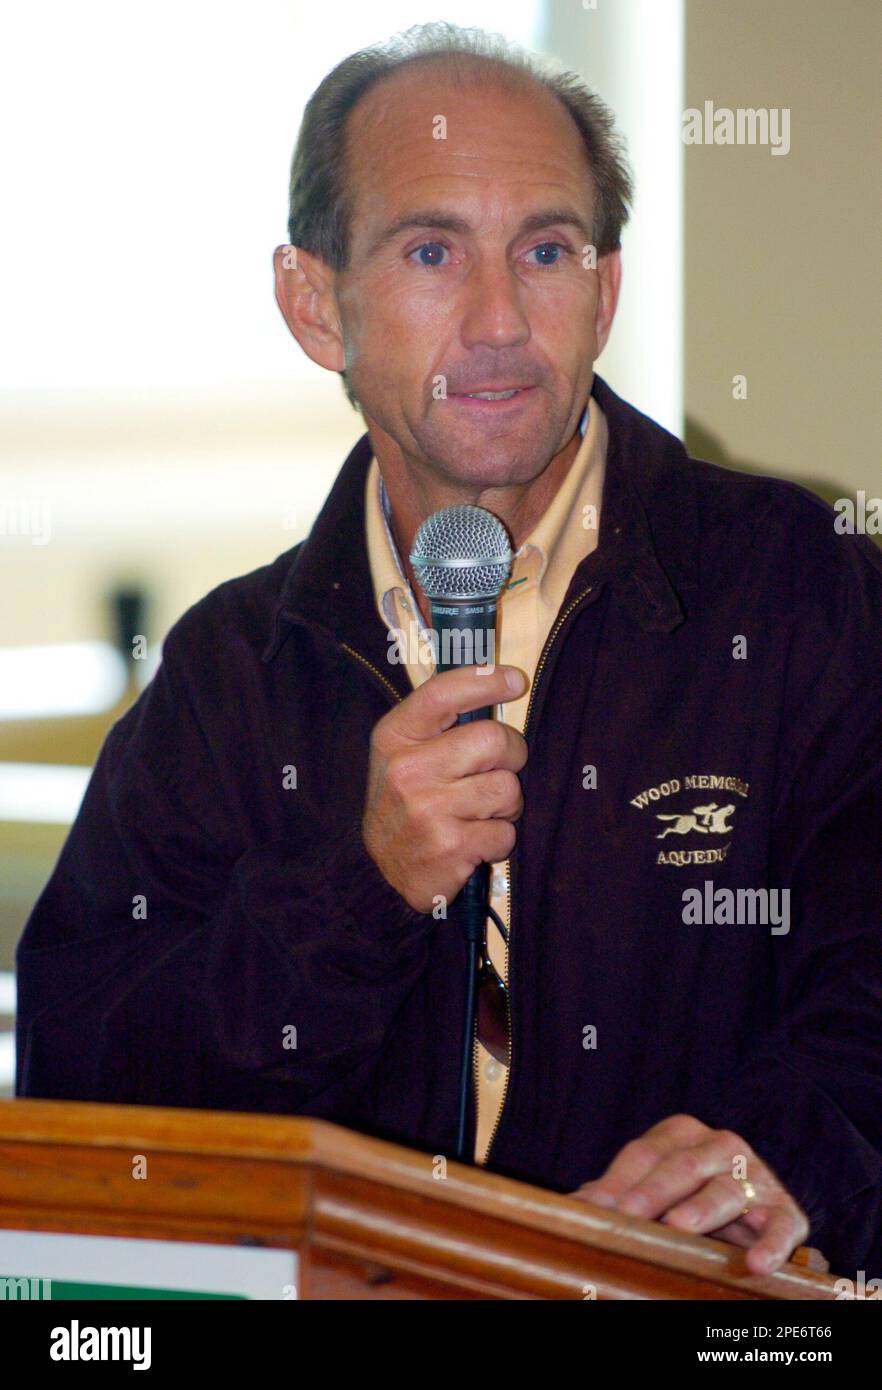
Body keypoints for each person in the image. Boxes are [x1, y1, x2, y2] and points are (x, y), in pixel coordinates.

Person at [16, 23, 882, 1281]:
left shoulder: (803, 591)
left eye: (545, 251)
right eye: (432, 252)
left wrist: (797, 1146)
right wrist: (358, 888)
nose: (497, 321)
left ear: (605, 292)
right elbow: (89, 1097)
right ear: (317, 305)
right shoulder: (229, 675)